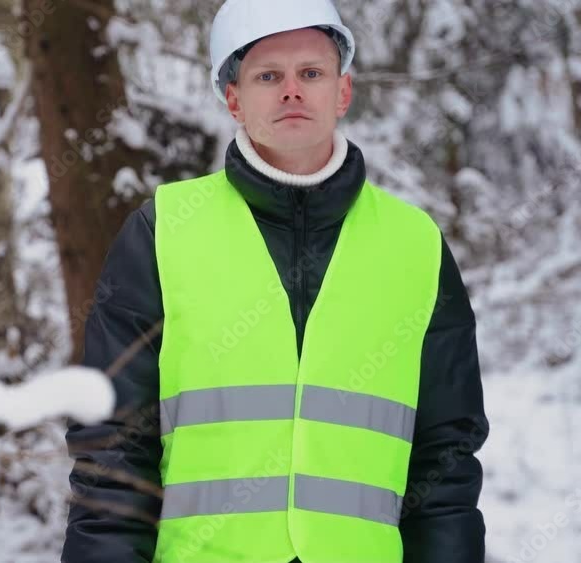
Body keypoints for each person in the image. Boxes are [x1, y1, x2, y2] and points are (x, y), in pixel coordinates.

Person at [61, 0, 489, 561]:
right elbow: (112, 450)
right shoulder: (163, 231)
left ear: (343, 91)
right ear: (233, 98)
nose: (292, 91)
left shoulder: (416, 245)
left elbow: (446, 460)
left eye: (311, 73)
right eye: (269, 76)